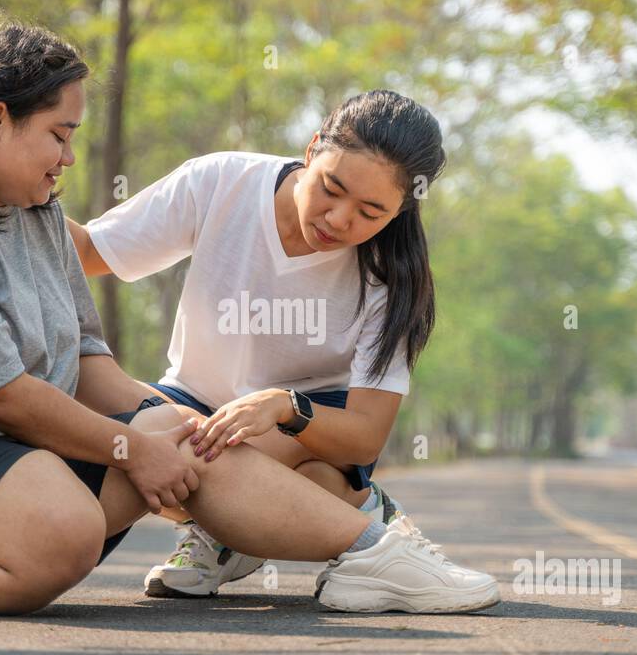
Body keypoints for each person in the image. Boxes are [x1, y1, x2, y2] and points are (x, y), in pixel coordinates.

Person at [0, 25, 501, 615]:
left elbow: (86, 358)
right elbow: (4, 396)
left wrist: (170, 430)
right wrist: (132, 446)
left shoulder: (34, 208)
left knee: (187, 439)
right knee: (68, 527)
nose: (71, 157)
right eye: (60, 135)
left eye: (371, 212)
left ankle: (375, 550)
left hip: (16, 444)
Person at [67, 90, 453, 600]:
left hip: (308, 425)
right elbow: (91, 252)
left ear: (402, 208)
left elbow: (364, 437)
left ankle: (232, 532)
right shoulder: (222, 182)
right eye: (331, 189)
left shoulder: (392, 276)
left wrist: (284, 407)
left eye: (370, 211)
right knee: (93, 411)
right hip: (188, 403)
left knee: (199, 456)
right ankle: (277, 521)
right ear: (313, 149)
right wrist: (1, 182)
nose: (339, 219)